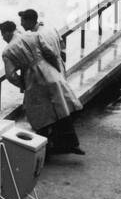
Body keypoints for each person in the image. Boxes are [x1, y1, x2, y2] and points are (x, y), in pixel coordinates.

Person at [13, 9, 85, 156]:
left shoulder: (36, 35)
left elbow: (47, 54)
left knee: (44, 111)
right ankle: (66, 143)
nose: (21, 25)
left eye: (22, 21)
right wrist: (59, 69)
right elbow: (62, 47)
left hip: (46, 75)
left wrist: (52, 70)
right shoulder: (50, 29)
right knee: (60, 107)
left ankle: (48, 146)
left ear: (29, 21)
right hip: (56, 72)